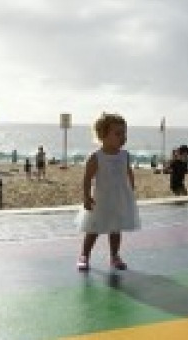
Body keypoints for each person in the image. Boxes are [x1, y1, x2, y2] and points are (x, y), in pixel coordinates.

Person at [75, 113, 139, 271]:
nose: (123, 137)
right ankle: (84, 255)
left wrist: (131, 189)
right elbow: (87, 178)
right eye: (118, 134)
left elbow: (128, 172)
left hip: (119, 198)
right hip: (101, 200)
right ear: (102, 135)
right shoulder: (96, 157)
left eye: (124, 133)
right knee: (94, 229)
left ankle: (114, 256)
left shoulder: (125, 155)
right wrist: (86, 196)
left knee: (116, 228)